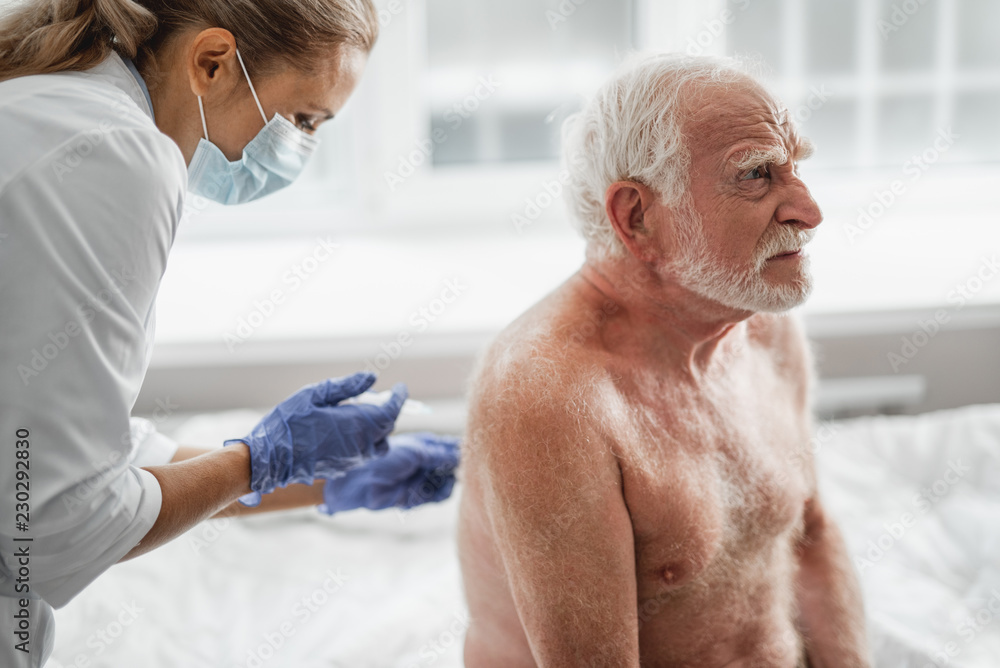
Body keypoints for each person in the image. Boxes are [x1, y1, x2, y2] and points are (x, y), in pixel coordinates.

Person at [0, 2, 457, 666]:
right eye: (303, 120)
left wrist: (317, 479)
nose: (299, 150)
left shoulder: (51, 103)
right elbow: (60, 524)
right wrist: (261, 460)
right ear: (212, 62)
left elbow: (67, 447)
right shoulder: (118, 156)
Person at [457, 53, 871, 667]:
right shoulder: (550, 396)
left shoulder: (762, 331)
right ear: (636, 217)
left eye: (795, 167)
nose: (809, 213)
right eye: (756, 175)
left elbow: (810, 536)